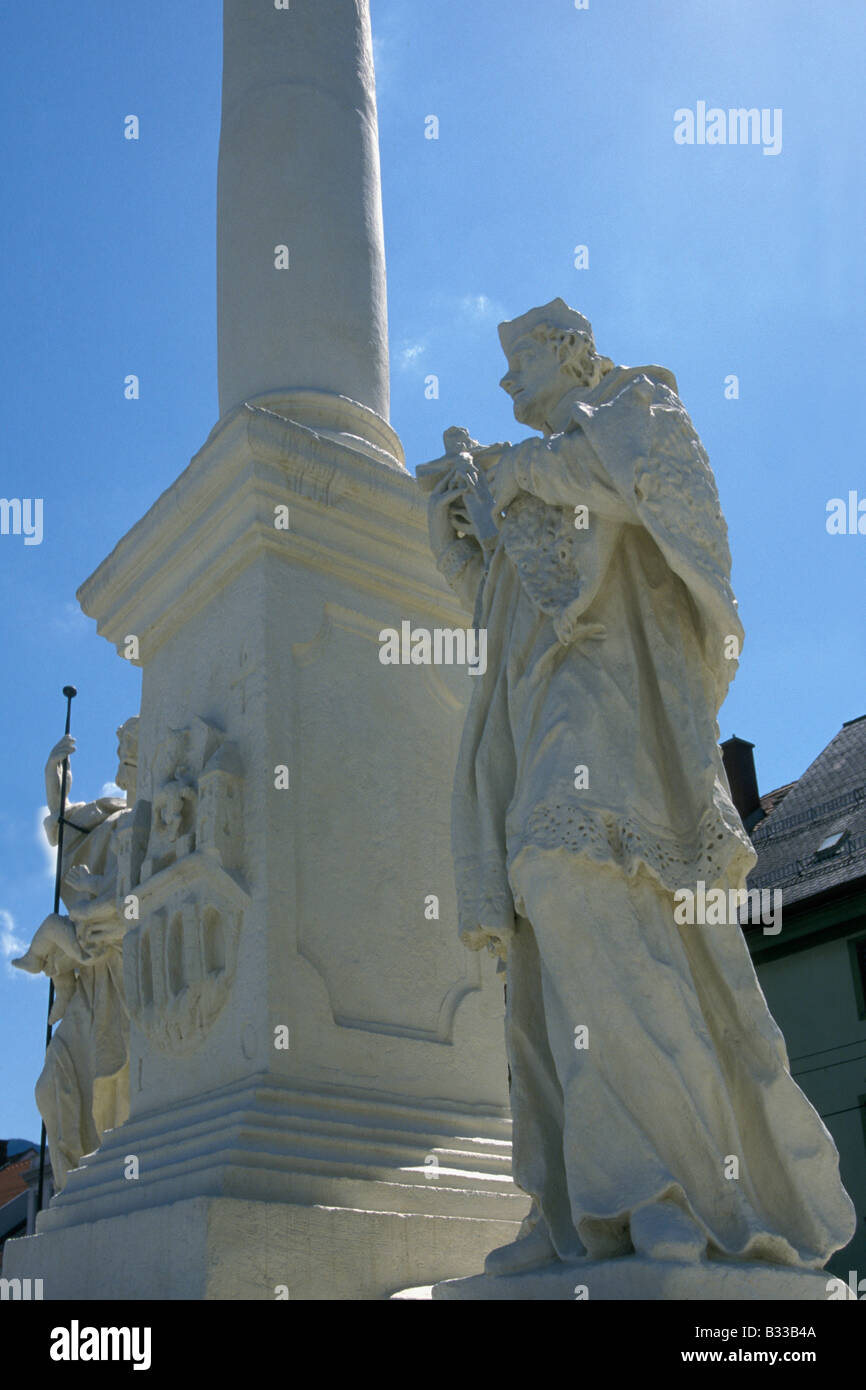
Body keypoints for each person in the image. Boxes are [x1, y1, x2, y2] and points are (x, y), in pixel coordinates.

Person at [425, 299, 855, 1274]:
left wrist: (516, 474)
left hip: (612, 703)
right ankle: (577, 1205)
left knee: (572, 880)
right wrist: (462, 514)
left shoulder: (634, 403)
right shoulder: (536, 468)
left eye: (516, 363)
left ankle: (669, 1187)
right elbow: (500, 603)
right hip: (531, 716)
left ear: (566, 352)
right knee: (544, 945)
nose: (504, 387)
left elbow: (641, 487)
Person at [14, 718, 139, 1189]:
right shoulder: (111, 815)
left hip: (123, 974)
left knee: (118, 1093)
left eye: (133, 745)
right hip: (92, 974)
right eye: (122, 745)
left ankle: (112, 1184)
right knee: (52, 1088)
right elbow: (66, 824)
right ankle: (76, 1191)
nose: (124, 752)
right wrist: (54, 778)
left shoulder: (158, 818)